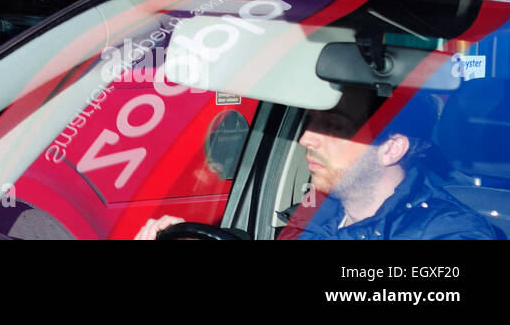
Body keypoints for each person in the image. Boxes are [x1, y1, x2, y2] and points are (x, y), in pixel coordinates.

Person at [135, 86, 499, 240]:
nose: (305, 138)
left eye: (334, 126)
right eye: (310, 122)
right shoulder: (317, 207)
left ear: (391, 149)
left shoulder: (452, 232)